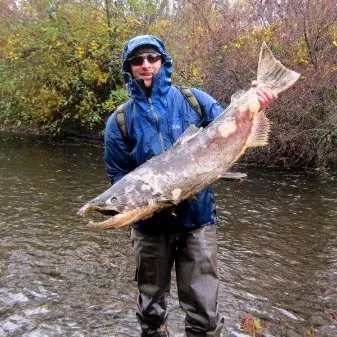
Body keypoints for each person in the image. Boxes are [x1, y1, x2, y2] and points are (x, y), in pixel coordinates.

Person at [104, 35, 277, 337]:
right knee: (150, 313)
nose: (146, 65)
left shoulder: (194, 100)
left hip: (197, 222)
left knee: (205, 316)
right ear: (129, 68)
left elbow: (231, 123)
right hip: (149, 231)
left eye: (151, 58)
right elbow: (118, 176)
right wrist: (140, 208)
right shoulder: (118, 122)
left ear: (163, 62)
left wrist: (254, 100)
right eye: (137, 61)